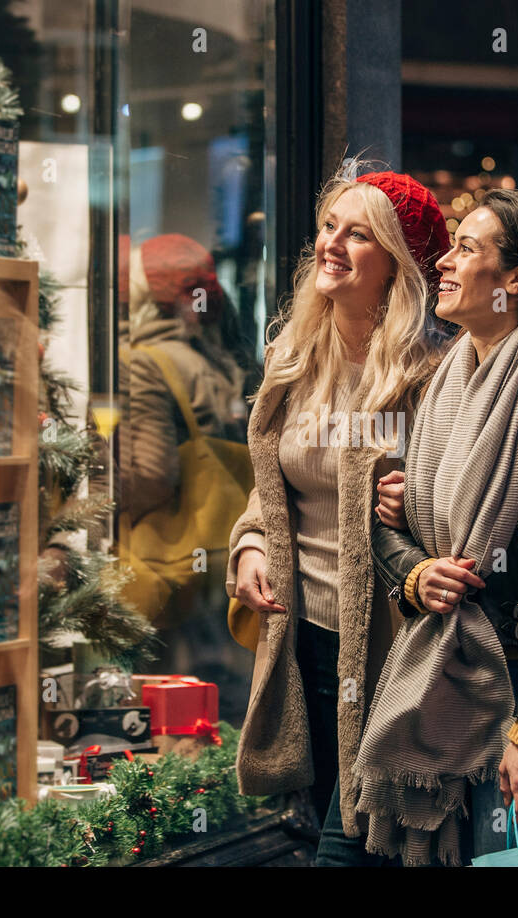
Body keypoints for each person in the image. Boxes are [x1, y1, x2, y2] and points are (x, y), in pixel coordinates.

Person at [355, 189, 518, 866]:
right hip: (438, 670)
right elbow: (387, 522)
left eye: (466, 249)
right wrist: (414, 572)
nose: (444, 261)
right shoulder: (445, 381)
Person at [225, 168, 450, 846]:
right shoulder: (295, 357)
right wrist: (251, 543)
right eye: (330, 227)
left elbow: (468, 503)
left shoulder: (434, 373)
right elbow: (273, 485)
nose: (333, 245)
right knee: (330, 824)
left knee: (366, 840)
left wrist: (419, 499)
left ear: (397, 263)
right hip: (305, 639)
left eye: (359, 235)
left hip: (392, 650)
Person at [117, 234, 253, 709]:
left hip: (172, 567)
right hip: (222, 555)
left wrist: (90, 505)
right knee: (220, 695)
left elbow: (152, 473)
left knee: (168, 703)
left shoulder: (141, 363)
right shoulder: (215, 361)